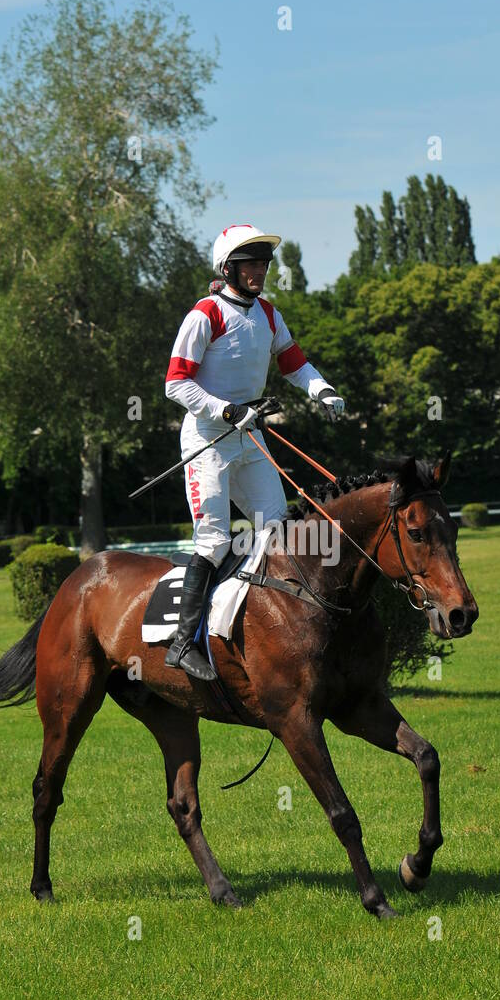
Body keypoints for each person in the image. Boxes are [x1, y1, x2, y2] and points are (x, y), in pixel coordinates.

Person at [163, 224, 344, 681]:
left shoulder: (267, 313)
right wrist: (226, 411)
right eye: (251, 264)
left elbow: (293, 362)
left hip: (250, 437)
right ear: (228, 269)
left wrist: (320, 389)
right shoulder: (204, 314)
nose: (260, 271)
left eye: (263, 264)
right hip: (207, 442)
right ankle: (182, 643)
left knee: (278, 530)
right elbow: (175, 383)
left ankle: (271, 629)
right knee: (215, 541)